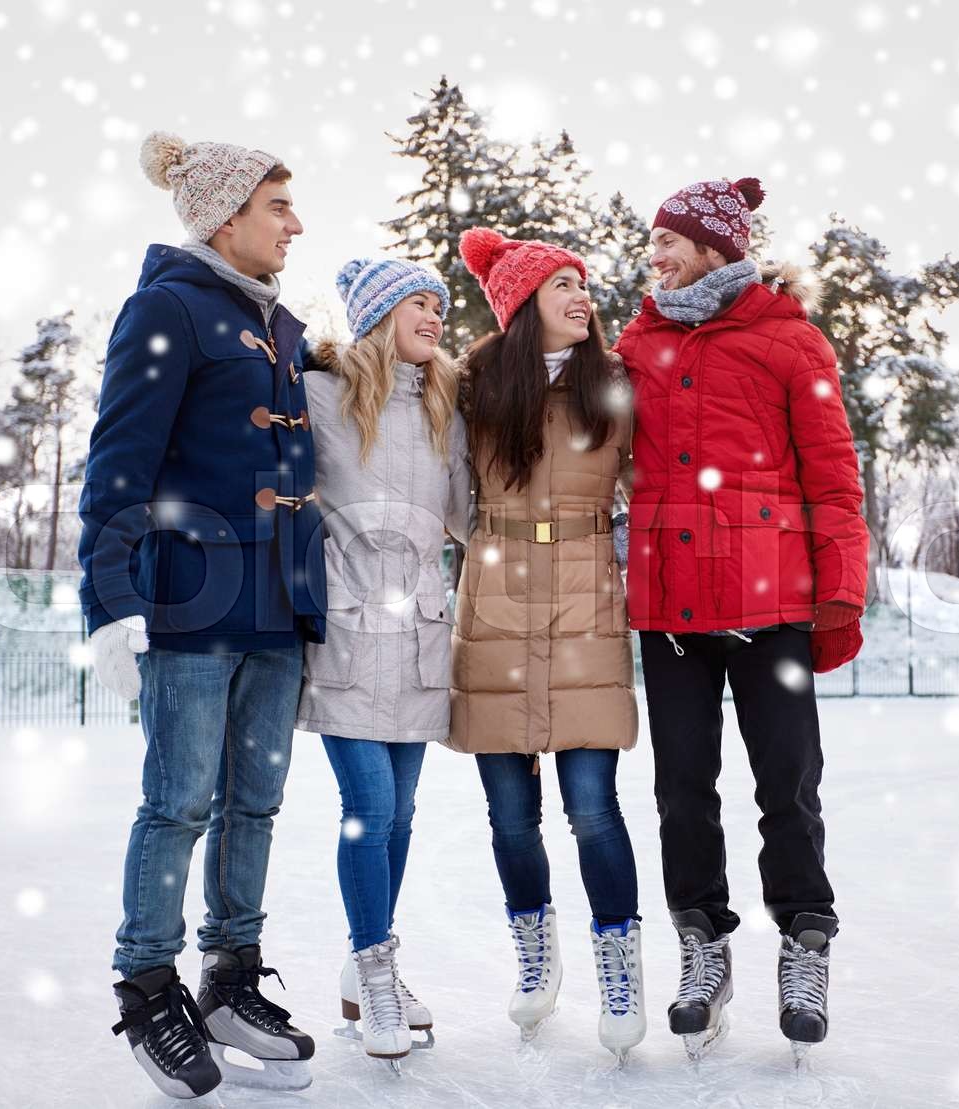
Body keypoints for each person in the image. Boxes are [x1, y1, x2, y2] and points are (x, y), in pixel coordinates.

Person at [80, 131, 325, 1098]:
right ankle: (148, 986)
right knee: (178, 803)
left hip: (277, 610)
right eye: (278, 207)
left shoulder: (286, 328)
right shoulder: (166, 309)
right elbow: (118, 463)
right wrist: (110, 598)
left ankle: (231, 978)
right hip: (191, 603)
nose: (294, 223)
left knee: (254, 806)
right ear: (226, 218)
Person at [613, 176, 870, 1060]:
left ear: (715, 247)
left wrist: (841, 590)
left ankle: (804, 941)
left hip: (774, 602)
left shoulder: (791, 342)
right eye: (655, 242)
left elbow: (834, 475)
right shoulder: (635, 347)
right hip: (671, 605)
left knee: (787, 782)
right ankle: (703, 947)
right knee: (682, 787)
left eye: (671, 240)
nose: (657, 255)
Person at [447, 228, 645, 1060]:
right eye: (562, 283)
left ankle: (619, 965)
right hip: (493, 604)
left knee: (593, 804)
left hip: (585, 605)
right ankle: (535, 958)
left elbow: (657, 482)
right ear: (523, 304)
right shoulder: (474, 386)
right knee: (509, 815)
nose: (580, 296)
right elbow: (444, 488)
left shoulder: (613, 387)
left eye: (582, 283)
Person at [298, 256, 472, 1072]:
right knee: (367, 802)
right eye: (418, 301)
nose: (435, 315)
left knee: (400, 813)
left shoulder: (448, 410)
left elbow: (475, 516)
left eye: (439, 304)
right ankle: (376, 970)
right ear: (377, 316)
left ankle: (364, 961)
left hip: (419, 635)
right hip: (344, 630)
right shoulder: (319, 397)